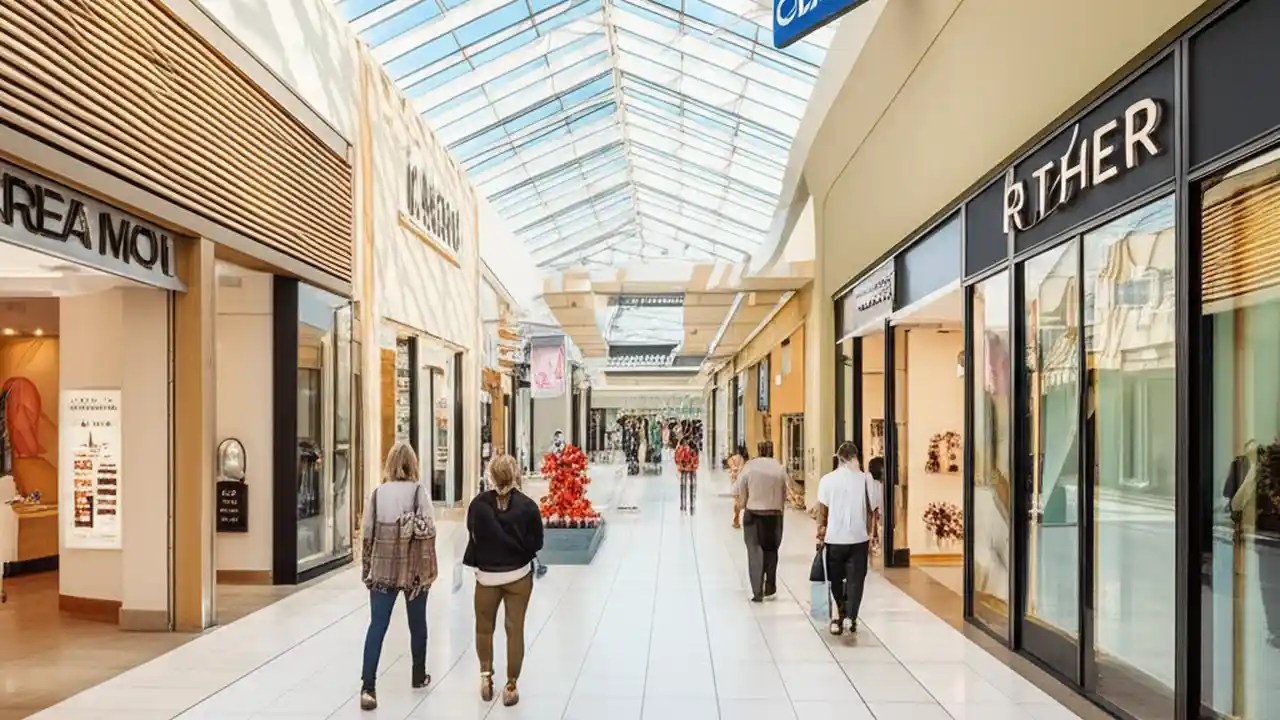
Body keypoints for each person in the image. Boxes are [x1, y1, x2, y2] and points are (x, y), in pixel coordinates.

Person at [360, 442, 438, 711]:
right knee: (418, 623)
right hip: (414, 569)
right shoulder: (419, 492)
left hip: (383, 568)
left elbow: (367, 534)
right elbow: (430, 530)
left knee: (377, 625)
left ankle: (368, 686)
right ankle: (418, 674)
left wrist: (365, 569)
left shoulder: (377, 494)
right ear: (413, 463)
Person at [464, 455, 544, 707]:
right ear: (516, 474)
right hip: (518, 575)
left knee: (484, 628)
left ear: (491, 476)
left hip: (486, 577)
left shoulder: (477, 505)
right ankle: (511, 685)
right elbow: (537, 543)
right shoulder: (528, 506)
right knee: (514, 629)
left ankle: (486, 677)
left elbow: (472, 534)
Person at [816, 442, 882, 636]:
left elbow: (822, 512)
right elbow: (873, 510)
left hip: (834, 538)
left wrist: (819, 535)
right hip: (858, 538)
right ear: (855, 458)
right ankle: (850, 618)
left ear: (838, 458)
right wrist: (873, 535)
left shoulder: (827, 480)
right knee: (855, 580)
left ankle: (837, 616)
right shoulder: (865, 479)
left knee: (835, 579)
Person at [733, 441, 787, 602]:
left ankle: (757, 591)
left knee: (755, 551)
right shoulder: (779, 467)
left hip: (754, 514)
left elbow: (737, 489)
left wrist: (742, 503)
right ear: (772, 451)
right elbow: (785, 492)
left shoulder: (750, 467)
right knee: (771, 550)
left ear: (758, 450)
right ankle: (770, 586)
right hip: (775, 515)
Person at [675, 438, 700, 513]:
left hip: (687, 468)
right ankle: (688, 505)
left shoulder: (681, 449)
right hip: (688, 468)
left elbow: (677, 459)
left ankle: (685, 505)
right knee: (687, 485)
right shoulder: (685, 449)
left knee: (685, 486)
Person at [728, 444, 748, 528]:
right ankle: (737, 519)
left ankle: (736, 519)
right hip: (742, 482)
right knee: (740, 500)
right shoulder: (744, 460)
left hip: (735, 481)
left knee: (737, 501)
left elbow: (732, 468)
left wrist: (733, 472)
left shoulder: (732, 458)